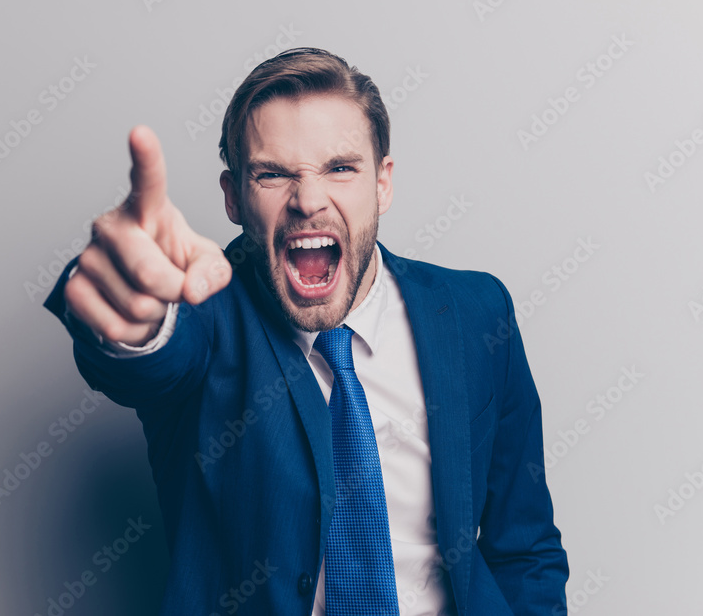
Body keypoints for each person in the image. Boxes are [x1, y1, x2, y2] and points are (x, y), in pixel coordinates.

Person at [43, 47, 568, 615]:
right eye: (272, 174)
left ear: (383, 182)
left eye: (340, 168)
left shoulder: (475, 313)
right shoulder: (207, 315)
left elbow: (526, 546)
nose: (309, 201)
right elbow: (154, 359)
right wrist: (133, 312)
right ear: (233, 196)